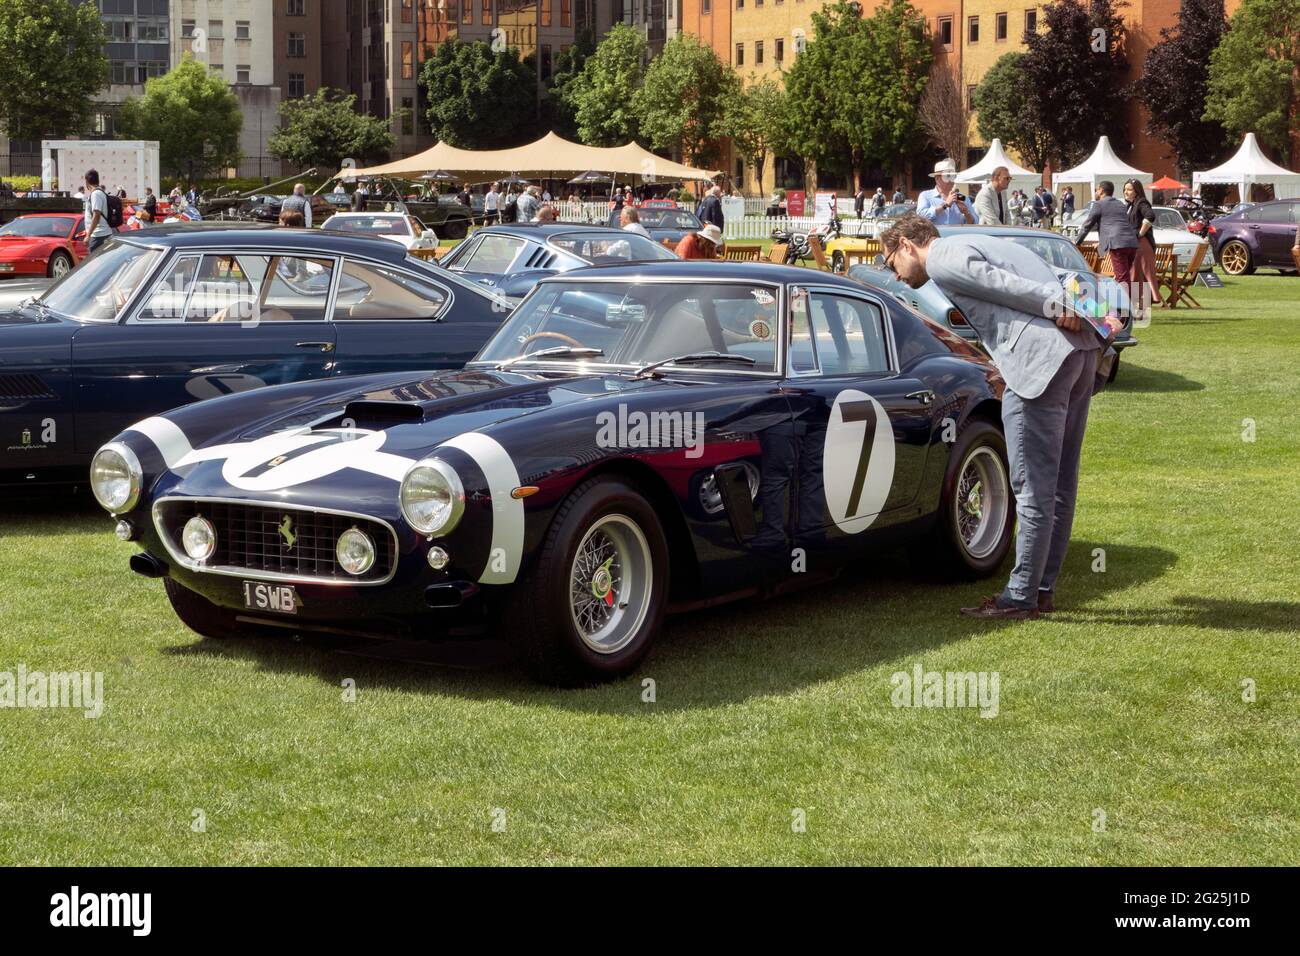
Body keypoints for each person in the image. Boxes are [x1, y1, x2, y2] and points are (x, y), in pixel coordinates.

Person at [879, 213, 1102, 619]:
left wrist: (1059, 306)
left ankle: (1020, 598)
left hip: (1041, 362)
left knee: (1032, 485)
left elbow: (1007, 286)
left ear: (907, 246)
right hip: (1079, 354)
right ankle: (1041, 590)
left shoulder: (943, 258)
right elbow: (1059, 274)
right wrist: (1087, 309)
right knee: (1060, 482)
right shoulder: (984, 242)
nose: (894, 275)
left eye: (891, 262)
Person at [1073, 180, 1139, 291]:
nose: (1095, 192)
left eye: (1096, 190)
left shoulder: (1099, 204)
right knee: (1124, 276)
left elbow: (1087, 226)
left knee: (1122, 278)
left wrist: (1076, 242)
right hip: (1131, 243)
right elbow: (1116, 223)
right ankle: (1123, 304)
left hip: (1117, 244)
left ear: (1101, 190)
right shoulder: (1120, 204)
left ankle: (1125, 306)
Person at [1124, 179, 1160, 313]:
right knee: (1135, 276)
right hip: (1134, 246)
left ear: (1137, 191)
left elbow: (1150, 216)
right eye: (1125, 189)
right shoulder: (1129, 205)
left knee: (1140, 276)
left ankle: (1142, 309)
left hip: (1141, 246)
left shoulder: (1141, 202)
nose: (1126, 192)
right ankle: (1137, 309)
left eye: (1129, 189)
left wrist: (1140, 233)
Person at [917, 159, 975, 225]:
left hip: (958, 235)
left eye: (953, 176)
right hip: (934, 235)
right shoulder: (926, 196)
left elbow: (974, 223)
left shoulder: (963, 198)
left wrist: (966, 212)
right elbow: (920, 219)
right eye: (947, 176)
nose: (950, 180)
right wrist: (945, 205)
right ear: (937, 178)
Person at [82, 169, 115, 253]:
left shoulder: (96, 194)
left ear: (87, 182)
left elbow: (96, 215)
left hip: (98, 235)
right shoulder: (100, 192)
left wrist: (88, 235)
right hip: (101, 233)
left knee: (93, 263)